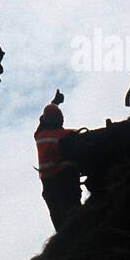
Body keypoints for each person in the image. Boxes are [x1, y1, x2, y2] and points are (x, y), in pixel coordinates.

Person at [35, 89, 81, 231]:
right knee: (74, 214)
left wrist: (55, 103)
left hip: (48, 184)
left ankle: (63, 242)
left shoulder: (39, 135)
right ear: (60, 120)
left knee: (59, 219)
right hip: (64, 180)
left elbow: (43, 119)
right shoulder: (66, 135)